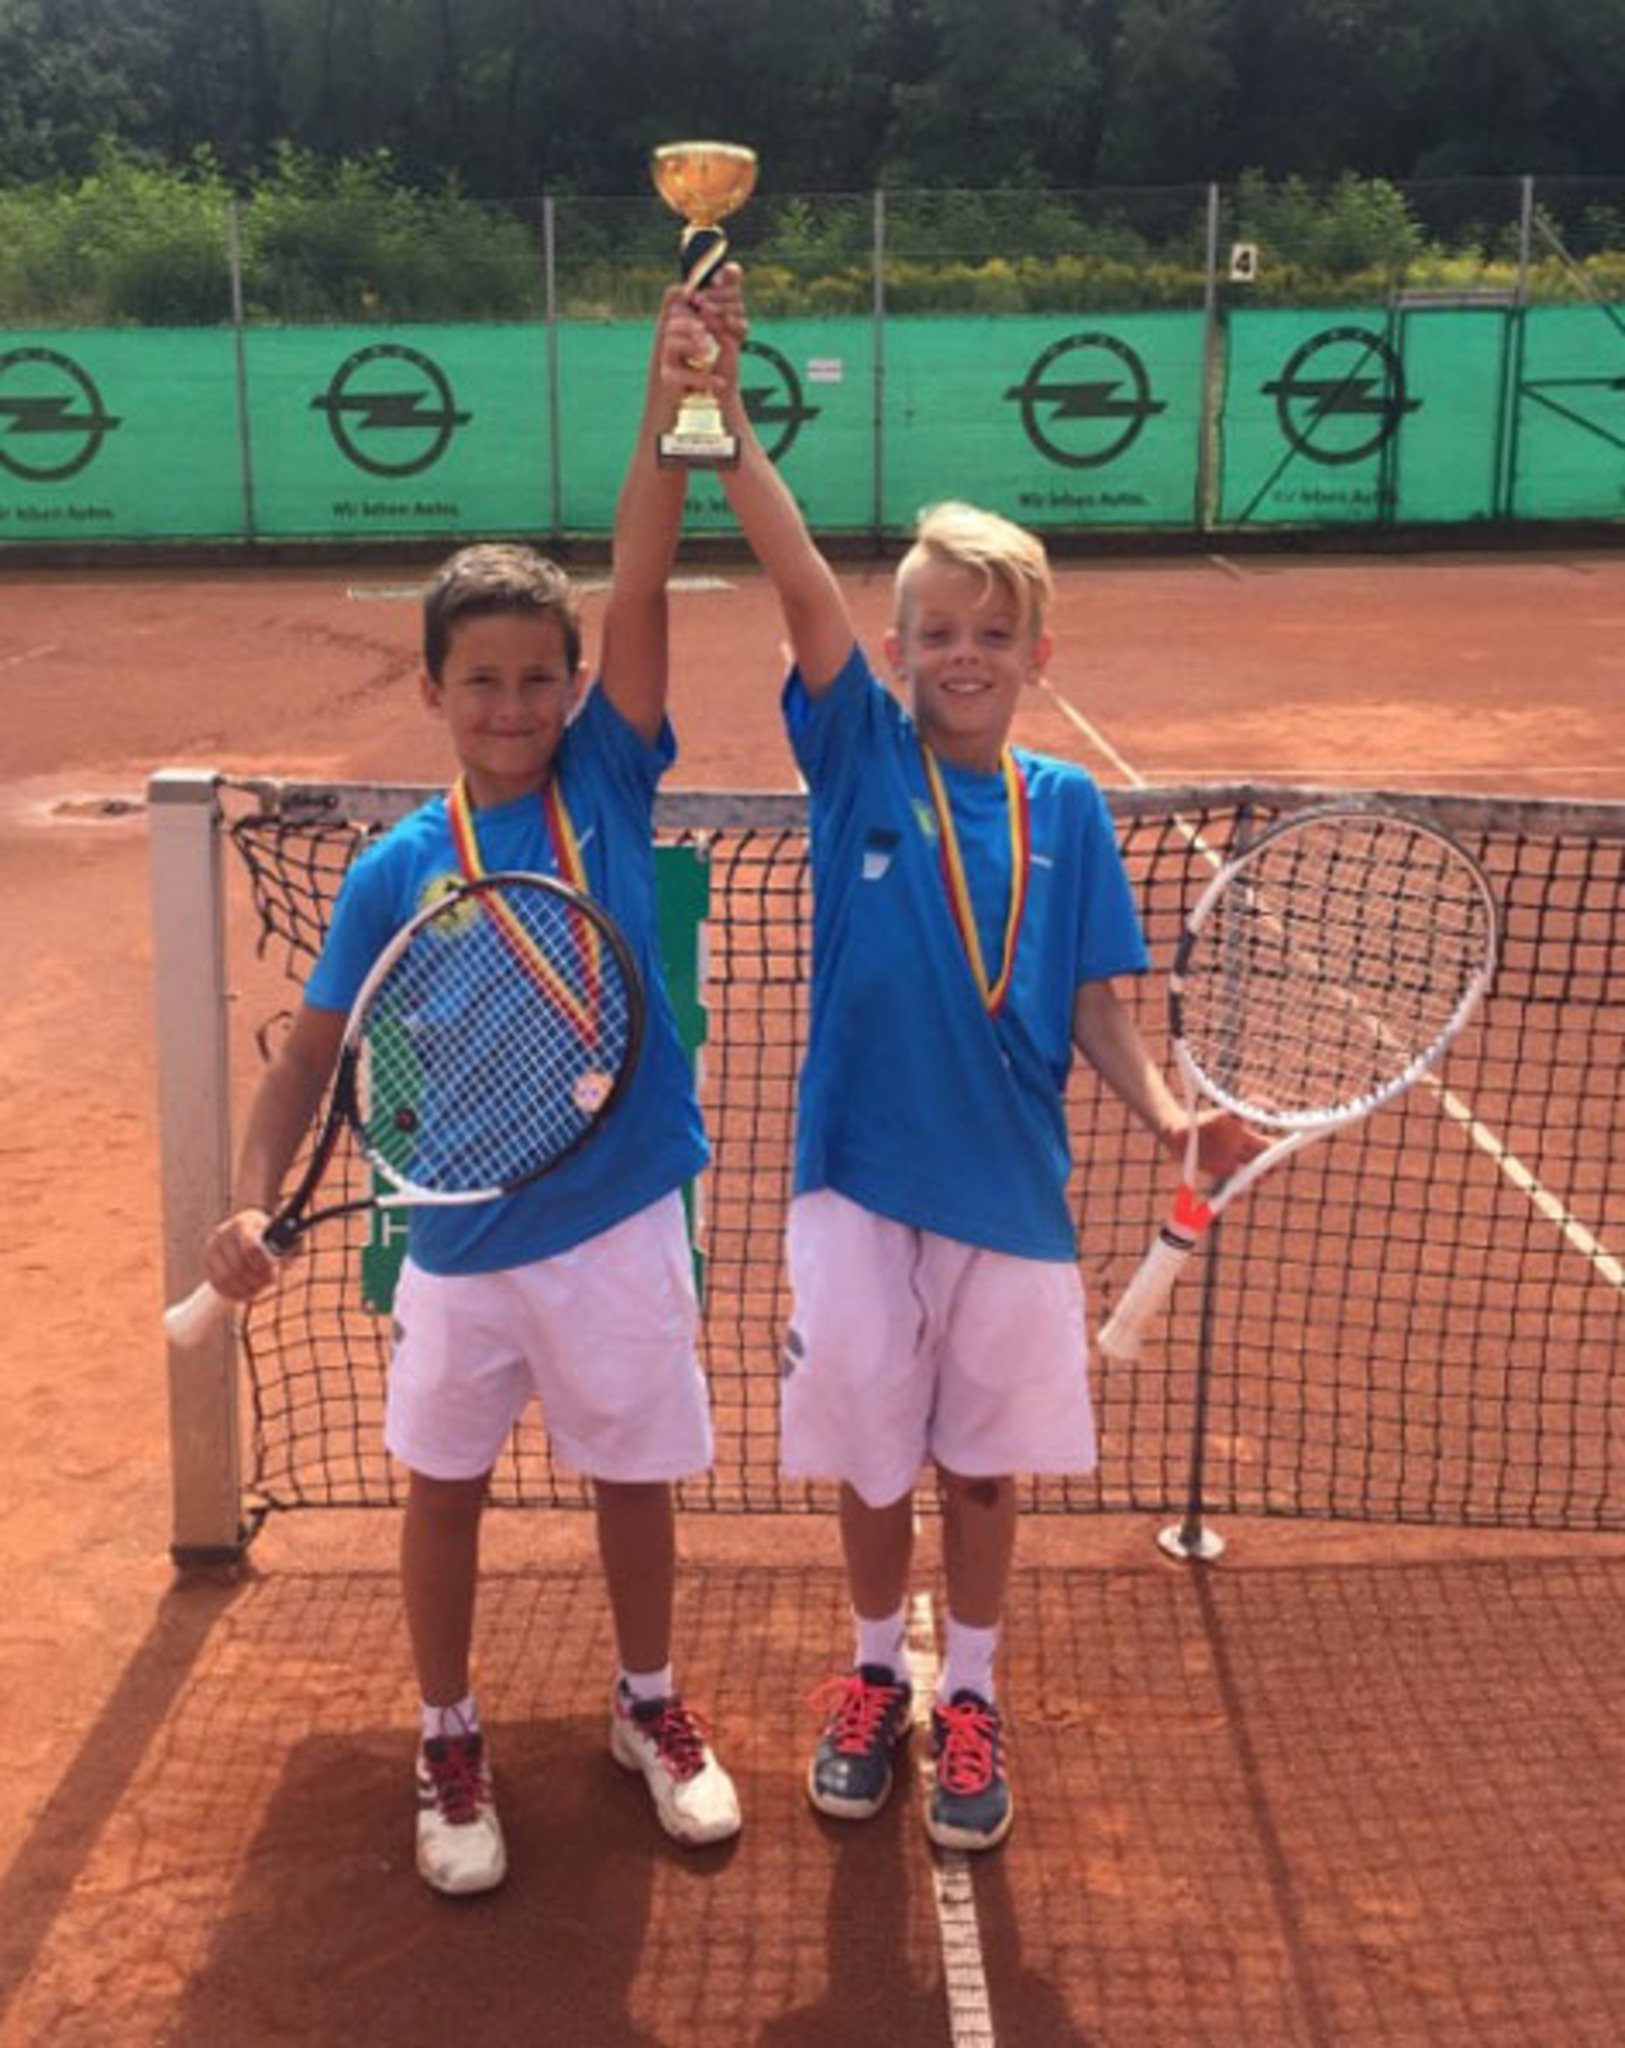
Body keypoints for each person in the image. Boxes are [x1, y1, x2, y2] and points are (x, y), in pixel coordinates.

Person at [680, 269, 1260, 1852]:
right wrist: (725, 412)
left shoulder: (1067, 809)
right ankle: (875, 1674)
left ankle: (975, 1694)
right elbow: (796, 578)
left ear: (1035, 650)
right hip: (857, 1182)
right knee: (873, 1464)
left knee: (986, 1473)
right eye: (935, 631)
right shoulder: (856, 752)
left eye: (992, 634)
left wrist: (1169, 1117)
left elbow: (1095, 1006)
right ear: (896, 647)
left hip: (1012, 1197)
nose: (962, 654)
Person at [199, 293, 742, 1896]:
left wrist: (668, 394)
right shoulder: (394, 868)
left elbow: (640, 571)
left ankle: (645, 1704)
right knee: (443, 1494)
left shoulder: (609, 777)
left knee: (633, 1478)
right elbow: (308, 1057)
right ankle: (448, 1733)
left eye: (537, 678)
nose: (512, 706)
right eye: (482, 679)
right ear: (431, 687)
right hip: (457, 1239)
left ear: (576, 687)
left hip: (620, 1217)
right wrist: (247, 1197)